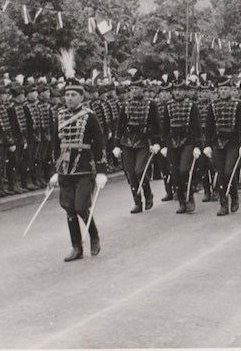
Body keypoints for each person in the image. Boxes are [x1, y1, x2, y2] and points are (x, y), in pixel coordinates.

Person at [48, 76, 108, 262]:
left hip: (84, 168)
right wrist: (55, 171)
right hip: (65, 169)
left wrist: (101, 171)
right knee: (69, 208)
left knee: (81, 206)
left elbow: (99, 144)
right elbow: (55, 145)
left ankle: (94, 235)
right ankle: (76, 247)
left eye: (74, 95)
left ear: (82, 97)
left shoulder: (89, 116)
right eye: (67, 95)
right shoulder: (59, 116)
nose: (69, 98)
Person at [113, 69, 161, 214]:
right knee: (130, 173)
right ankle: (137, 202)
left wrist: (155, 142)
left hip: (143, 141)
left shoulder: (150, 105)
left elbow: (156, 125)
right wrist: (116, 145)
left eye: (137, 88)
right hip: (127, 142)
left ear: (142, 90)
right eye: (132, 89)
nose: (134, 91)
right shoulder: (125, 105)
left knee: (140, 170)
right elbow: (120, 126)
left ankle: (148, 194)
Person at [204, 70, 241, 216]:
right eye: (221, 89)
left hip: (233, 143)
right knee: (221, 173)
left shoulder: (239, 105)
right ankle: (224, 204)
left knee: (229, 171)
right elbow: (209, 127)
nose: (223, 92)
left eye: (226, 89)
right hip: (218, 143)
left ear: (231, 89)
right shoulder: (213, 105)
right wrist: (207, 145)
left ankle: (234, 197)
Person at [160, 74, 202, 214]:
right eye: (175, 90)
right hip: (172, 142)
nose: (177, 92)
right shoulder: (168, 106)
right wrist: (164, 144)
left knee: (184, 170)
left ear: (185, 91)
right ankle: (182, 202)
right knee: (175, 172)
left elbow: (196, 127)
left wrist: (197, 145)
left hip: (187, 141)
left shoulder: (192, 106)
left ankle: (189, 198)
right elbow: (165, 127)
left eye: (180, 89)